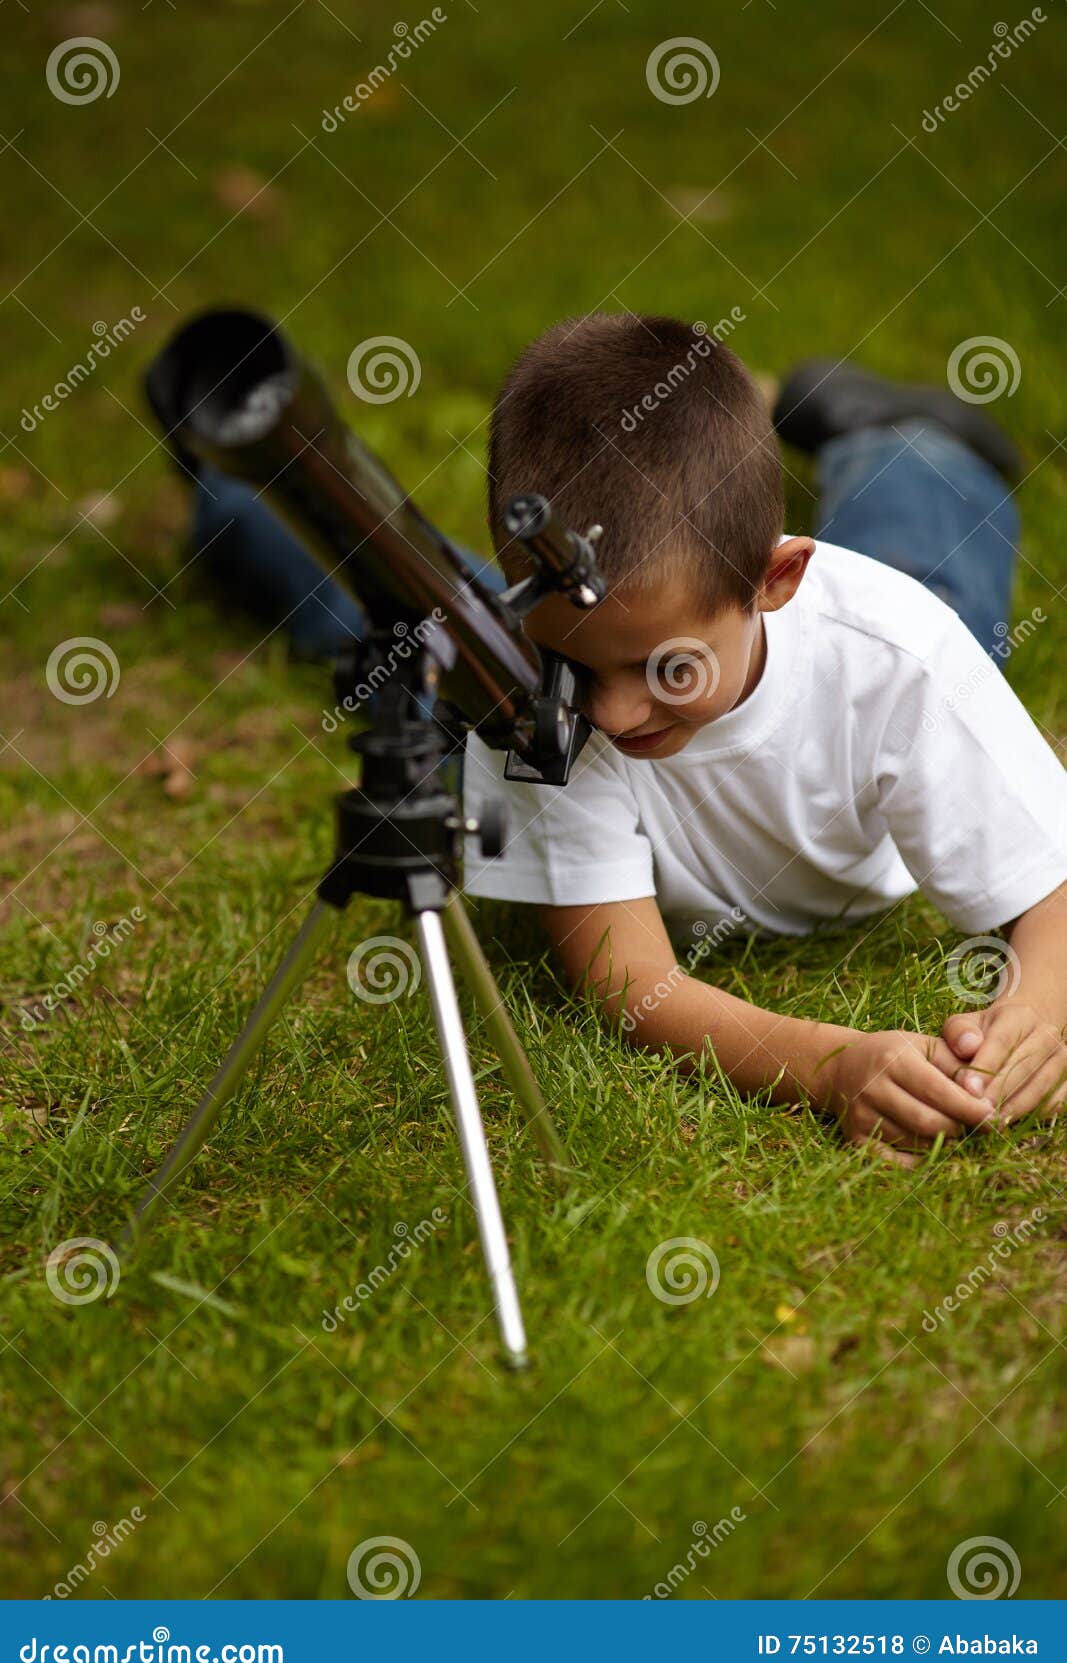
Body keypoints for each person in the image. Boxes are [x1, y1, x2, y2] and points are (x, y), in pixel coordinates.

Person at [153, 317, 1067, 1166]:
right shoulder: (545, 685)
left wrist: (1028, 1017)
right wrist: (830, 1067)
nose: (616, 716)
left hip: (856, 620)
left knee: (928, 577)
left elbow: (1052, 891)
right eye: (573, 667)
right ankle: (229, 491)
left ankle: (896, 438)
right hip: (629, 612)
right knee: (391, 607)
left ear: (775, 578)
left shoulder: (891, 655)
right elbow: (631, 983)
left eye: (665, 669)